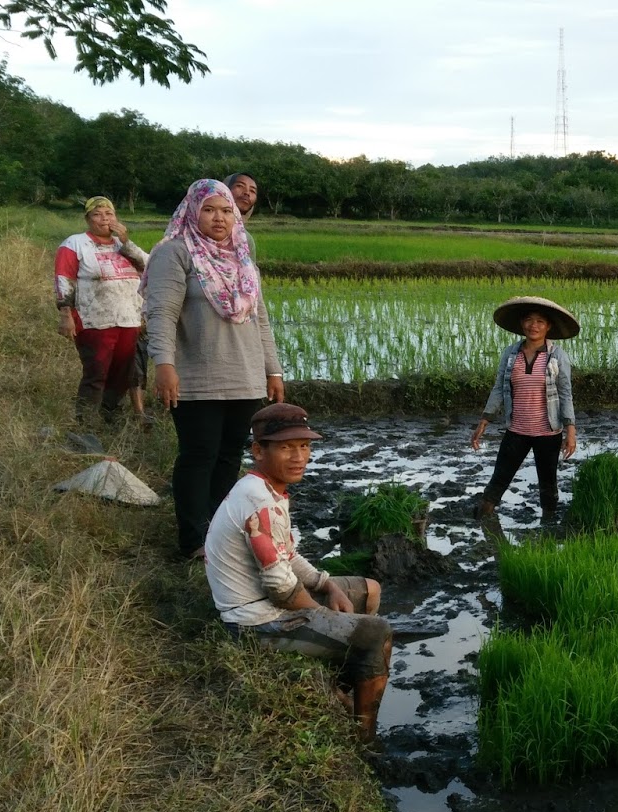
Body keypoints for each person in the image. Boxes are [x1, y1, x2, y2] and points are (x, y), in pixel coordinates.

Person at [205, 403, 392, 743]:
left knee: (370, 590)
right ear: (258, 451)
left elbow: (286, 556)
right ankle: (364, 736)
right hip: (255, 622)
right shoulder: (258, 502)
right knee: (378, 633)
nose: (299, 456)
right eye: (286, 447)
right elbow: (281, 587)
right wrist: (322, 614)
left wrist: (327, 584)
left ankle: (345, 681)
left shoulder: (267, 489)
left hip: (269, 602)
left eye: (304, 446)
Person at [145, 178, 284, 559]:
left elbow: (261, 318)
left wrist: (273, 370)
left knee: (228, 457)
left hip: (245, 375)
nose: (219, 218)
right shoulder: (174, 253)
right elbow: (161, 313)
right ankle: (192, 540)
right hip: (196, 377)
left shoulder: (242, 254)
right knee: (198, 454)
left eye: (226, 210)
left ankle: (217, 530)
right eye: (209, 210)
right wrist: (164, 365)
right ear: (193, 211)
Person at [470, 296, 578, 521]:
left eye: (540, 321)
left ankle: (548, 524)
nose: (534, 326)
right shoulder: (511, 354)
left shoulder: (558, 356)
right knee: (500, 477)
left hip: (548, 432)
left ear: (548, 326)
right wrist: (484, 420)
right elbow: (499, 388)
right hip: (516, 430)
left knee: (548, 483)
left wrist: (570, 431)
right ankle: (484, 518)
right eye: (529, 320)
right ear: (521, 324)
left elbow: (565, 394)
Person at [53, 196, 149, 423]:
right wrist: (66, 314)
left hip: (128, 319)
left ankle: (110, 413)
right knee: (96, 371)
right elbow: (63, 279)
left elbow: (149, 266)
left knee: (123, 372)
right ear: (88, 219)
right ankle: (86, 420)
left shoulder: (121, 245)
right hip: (94, 320)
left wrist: (126, 242)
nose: (104, 219)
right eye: (97, 214)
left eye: (109, 214)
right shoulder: (75, 243)